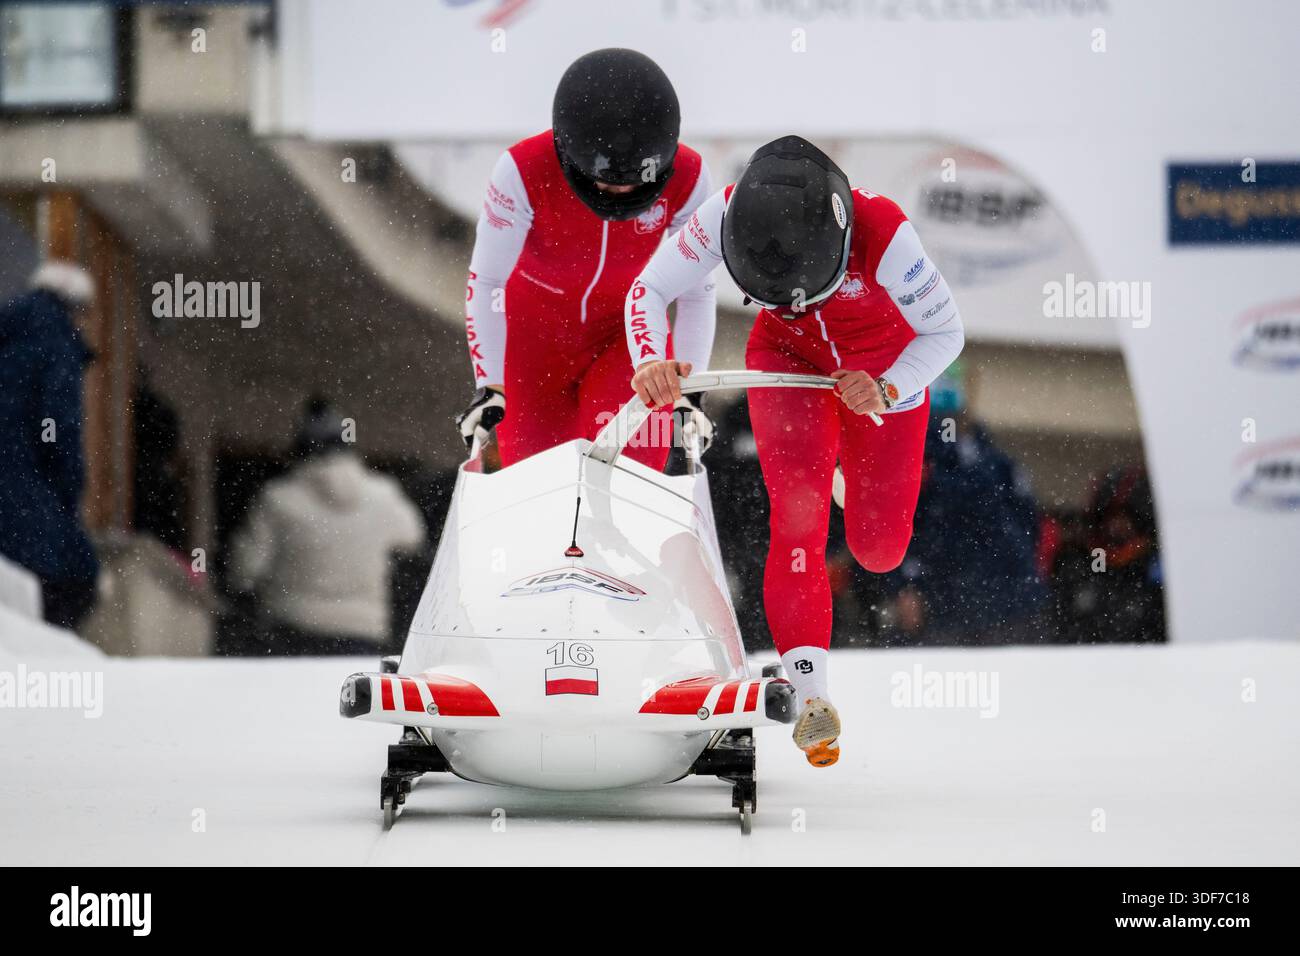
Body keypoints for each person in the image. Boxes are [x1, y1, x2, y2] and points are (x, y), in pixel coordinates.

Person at [627, 136, 965, 766]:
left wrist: (890, 385)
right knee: (798, 517)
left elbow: (946, 332)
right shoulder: (721, 214)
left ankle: (844, 476)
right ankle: (813, 698)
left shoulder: (886, 235)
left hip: (883, 377)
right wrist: (650, 360)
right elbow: (646, 289)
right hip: (788, 362)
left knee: (879, 550)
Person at [456, 48, 716, 469]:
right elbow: (487, 281)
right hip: (534, 346)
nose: (619, 195)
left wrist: (691, 392)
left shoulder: (690, 177)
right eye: (606, 181)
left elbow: (696, 294)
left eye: (634, 183)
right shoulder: (521, 171)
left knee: (627, 478)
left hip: (628, 341)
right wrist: (491, 384)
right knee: (539, 493)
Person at [227, 398, 426, 655]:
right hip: (362, 630)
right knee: (353, 696)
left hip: (294, 628)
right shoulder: (383, 495)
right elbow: (413, 539)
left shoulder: (278, 498)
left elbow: (246, 569)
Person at [0, 261, 99, 631]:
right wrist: (68, 483)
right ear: (75, 307)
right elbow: (54, 427)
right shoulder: (54, 344)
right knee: (73, 582)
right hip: (26, 490)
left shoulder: (10, 336)